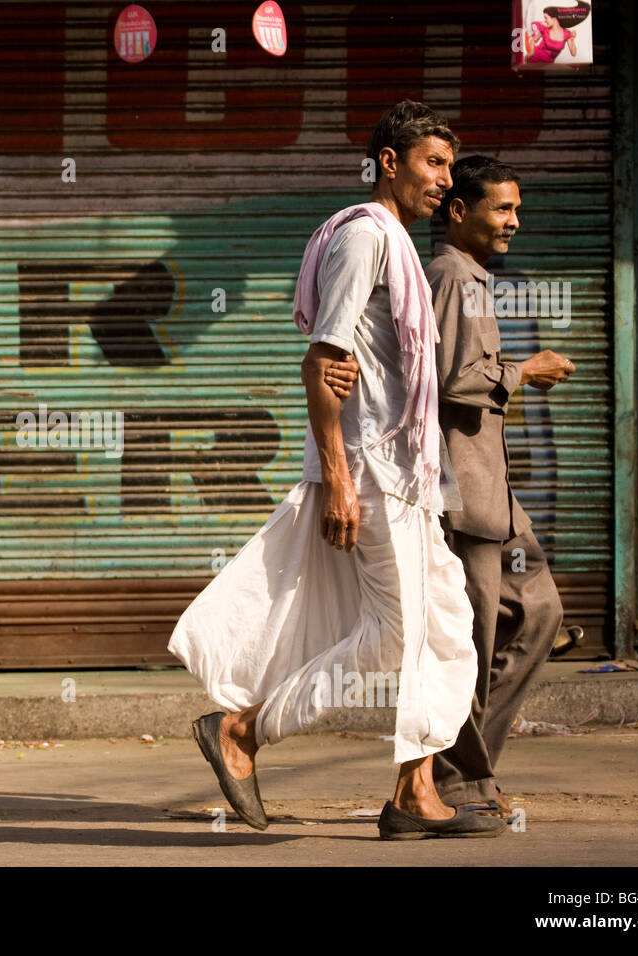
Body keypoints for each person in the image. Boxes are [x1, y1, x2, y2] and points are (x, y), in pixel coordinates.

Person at [168, 101, 506, 839]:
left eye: (451, 166)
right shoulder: (364, 237)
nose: (446, 182)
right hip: (373, 472)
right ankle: (244, 733)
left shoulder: (399, 245)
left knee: (446, 623)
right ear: (391, 161)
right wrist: (340, 480)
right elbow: (324, 361)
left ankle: (414, 790)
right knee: (394, 634)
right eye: (433, 163)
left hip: (411, 476)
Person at [425, 154, 572, 820]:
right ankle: (458, 783)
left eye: (517, 207)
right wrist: (525, 370)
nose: (515, 220)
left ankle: (468, 769)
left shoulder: (473, 277)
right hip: (464, 496)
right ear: (460, 210)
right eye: (502, 208)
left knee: (539, 614)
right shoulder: (453, 277)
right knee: (475, 643)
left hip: (494, 493)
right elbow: (455, 380)